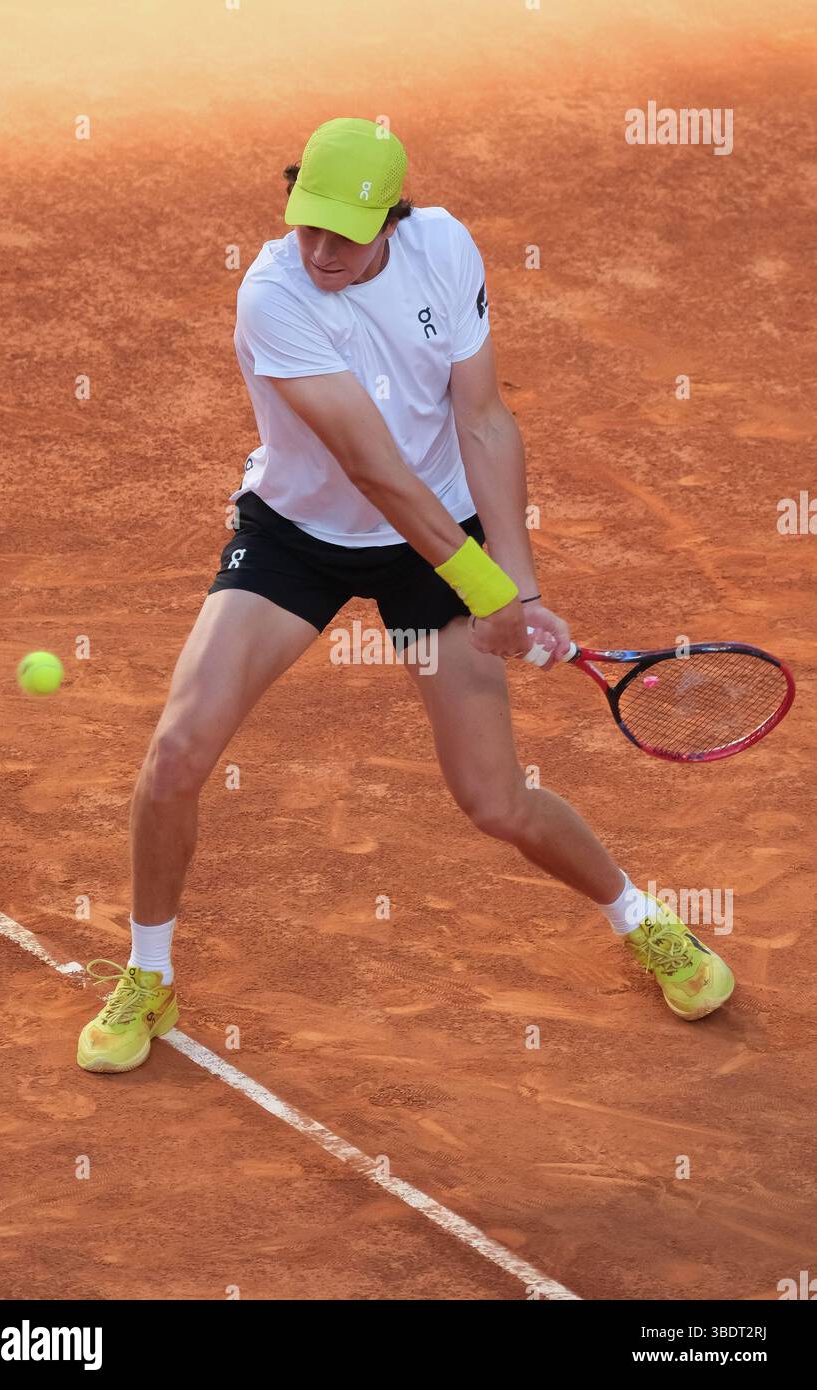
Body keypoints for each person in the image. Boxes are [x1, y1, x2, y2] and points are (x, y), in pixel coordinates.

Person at [77, 117, 733, 1073]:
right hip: (300, 537)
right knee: (178, 749)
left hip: (437, 542)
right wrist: (487, 591)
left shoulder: (445, 248)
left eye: (343, 232)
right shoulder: (273, 292)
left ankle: (640, 918)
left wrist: (520, 583)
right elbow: (372, 466)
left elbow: (483, 417)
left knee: (496, 801)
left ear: (393, 214)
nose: (320, 250)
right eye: (306, 226)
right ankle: (149, 975)